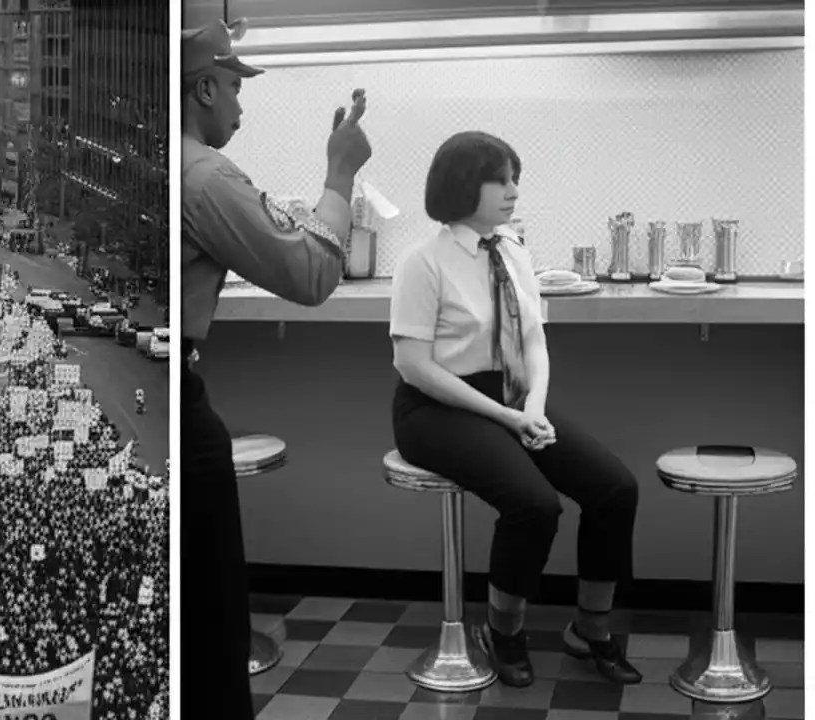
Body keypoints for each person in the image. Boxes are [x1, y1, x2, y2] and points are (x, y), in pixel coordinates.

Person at [389, 131, 641, 688]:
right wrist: (510, 418)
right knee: (535, 506)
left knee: (615, 489)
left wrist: (536, 407)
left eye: (514, 178)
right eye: (499, 179)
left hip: (513, 399)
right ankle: (503, 631)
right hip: (435, 407)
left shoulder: (514, 251)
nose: (513, 190)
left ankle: (591, 630)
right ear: (462, 184)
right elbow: (414, 367)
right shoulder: (422, 261)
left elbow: (534, 341)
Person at [180, 18, 372, 716]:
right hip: (183, 408)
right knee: (207, 616)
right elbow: (312, 271)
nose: (240, 103)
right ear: (202, 86)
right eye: (233, 86)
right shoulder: (203, 174)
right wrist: (341, 172)